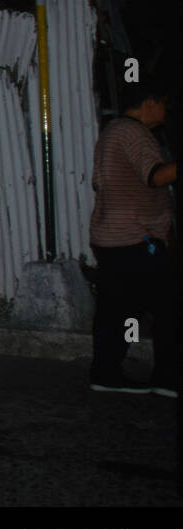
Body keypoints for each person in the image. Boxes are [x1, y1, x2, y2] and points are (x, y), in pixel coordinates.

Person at [88, 84, 177, 396]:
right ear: (149, 102)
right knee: (167, 307)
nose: (166, 111)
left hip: (113, 237)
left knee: (118, 309)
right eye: (164, 103)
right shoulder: (133, 132)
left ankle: (106, 372)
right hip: (133, 239)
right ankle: (167, 378)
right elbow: (156, 176)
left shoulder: (113, 131)